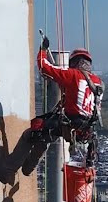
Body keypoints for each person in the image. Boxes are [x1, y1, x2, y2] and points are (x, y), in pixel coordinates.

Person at [34, 35, 104, 166]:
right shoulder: (98, 83)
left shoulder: (73, 75)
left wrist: (43, 49)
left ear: (74, 62)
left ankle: (25, 161)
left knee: (37, 128)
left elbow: (44, 67)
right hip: (87, 130)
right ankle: (90, 159)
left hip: (70, 123)